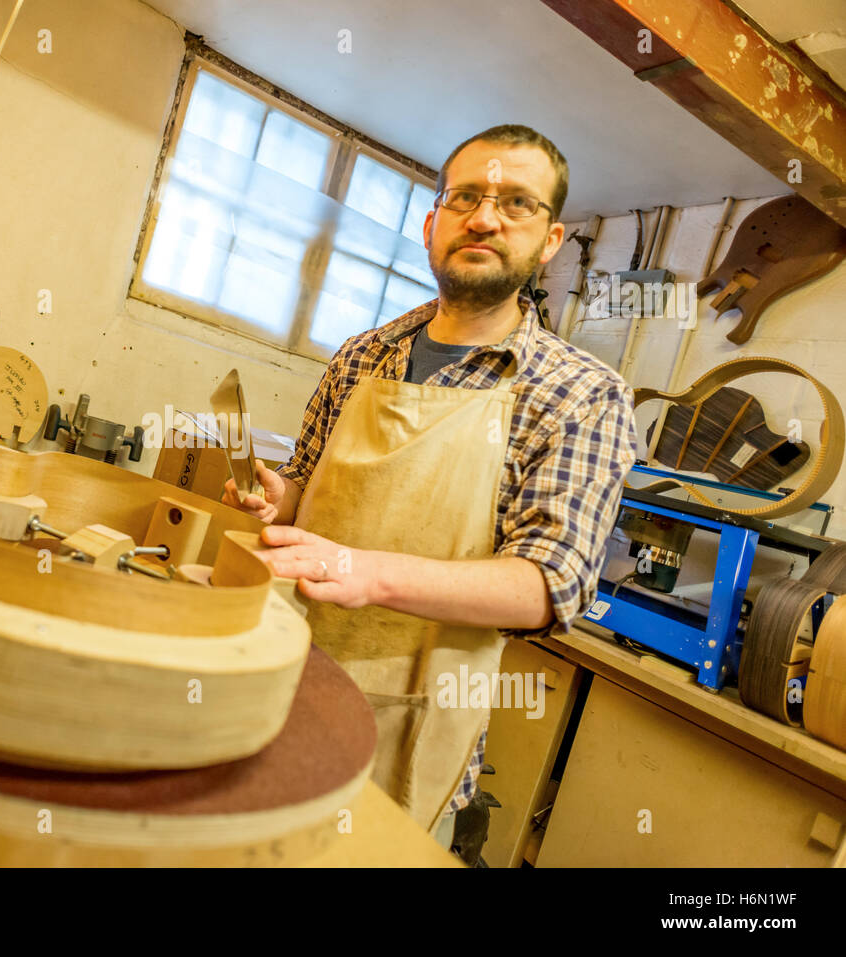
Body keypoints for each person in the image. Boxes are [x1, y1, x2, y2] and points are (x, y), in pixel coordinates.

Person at [223, 125, 638, 851]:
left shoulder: (581, 393)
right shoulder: (363, 352)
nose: (484, 217)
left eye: (516, 203)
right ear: (431, 222)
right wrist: (277, 498)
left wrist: (364, 572)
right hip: (276, 671)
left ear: (549, 241)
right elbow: (311, 481)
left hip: (412, 714)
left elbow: (550, 584)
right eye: (467, 197)